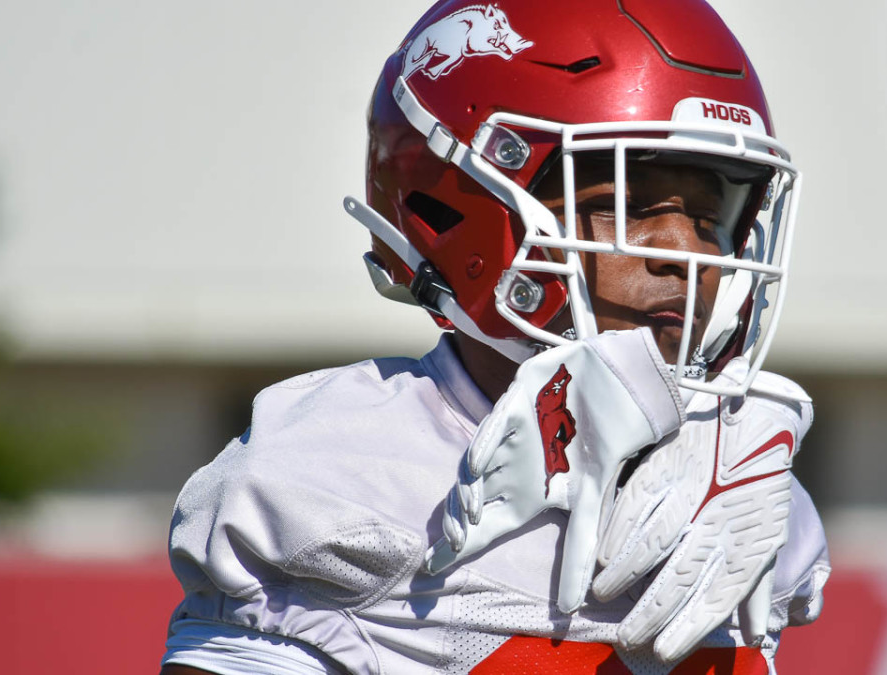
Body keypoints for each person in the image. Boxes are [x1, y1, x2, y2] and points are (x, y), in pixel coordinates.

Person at [160, 1, 829, 673]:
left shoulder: (751, 485)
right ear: (468, 202)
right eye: (626, 204)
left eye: (712, 219)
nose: (687, 254)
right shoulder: (343, 477)